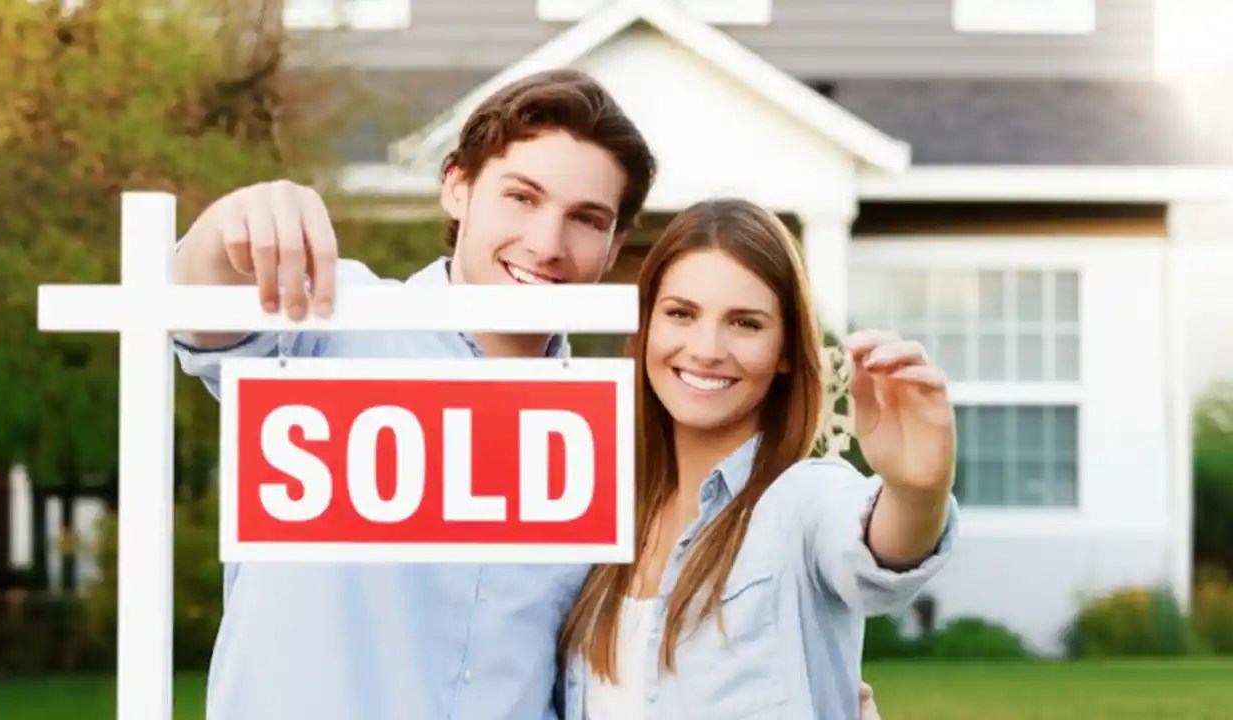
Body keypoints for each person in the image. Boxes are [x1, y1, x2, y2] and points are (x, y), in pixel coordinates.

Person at [171, 68, 655, 720]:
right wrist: (235, 225)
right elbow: (199, 306)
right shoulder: (337, 324)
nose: (546, 244)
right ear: (457, 187)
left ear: (614, 244)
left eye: (586, 219)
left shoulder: (609, 437)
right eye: (522, 197)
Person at [555, 199, 959, 719]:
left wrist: (916, 493)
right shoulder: (600, 508)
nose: (705, 348)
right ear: (646, 328)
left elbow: (879, 552)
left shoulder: (802, 499)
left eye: (745, 324)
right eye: (681, 313)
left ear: (787, 350)